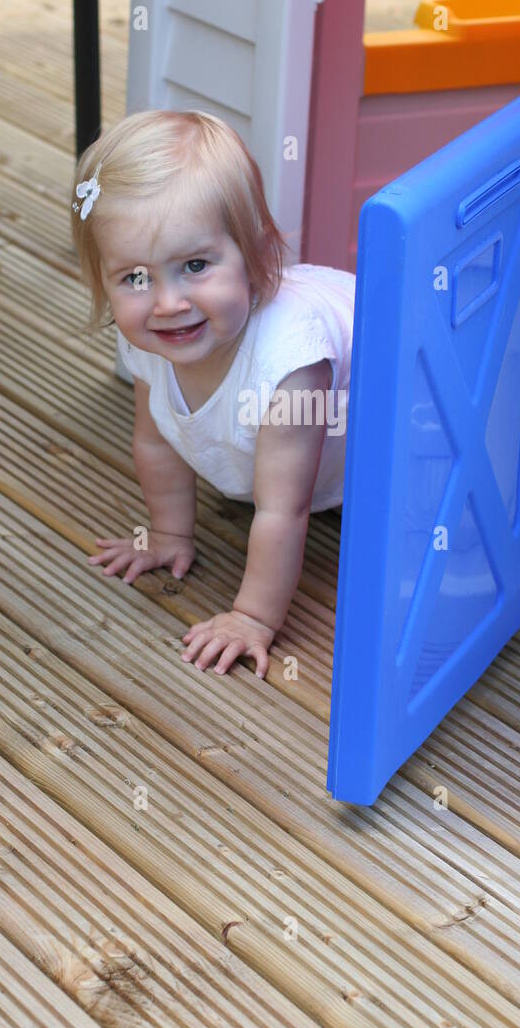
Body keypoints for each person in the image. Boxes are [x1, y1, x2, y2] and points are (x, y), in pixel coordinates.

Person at [70, 109, 355, 679]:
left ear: (255, 258)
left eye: (195, 265)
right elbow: (158, 440)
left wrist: (253, 616)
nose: (167, 302)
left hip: (392, 431)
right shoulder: (151, 337)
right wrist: (169, 532)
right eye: (134, 278)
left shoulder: (290, 364)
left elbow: (283, 508)